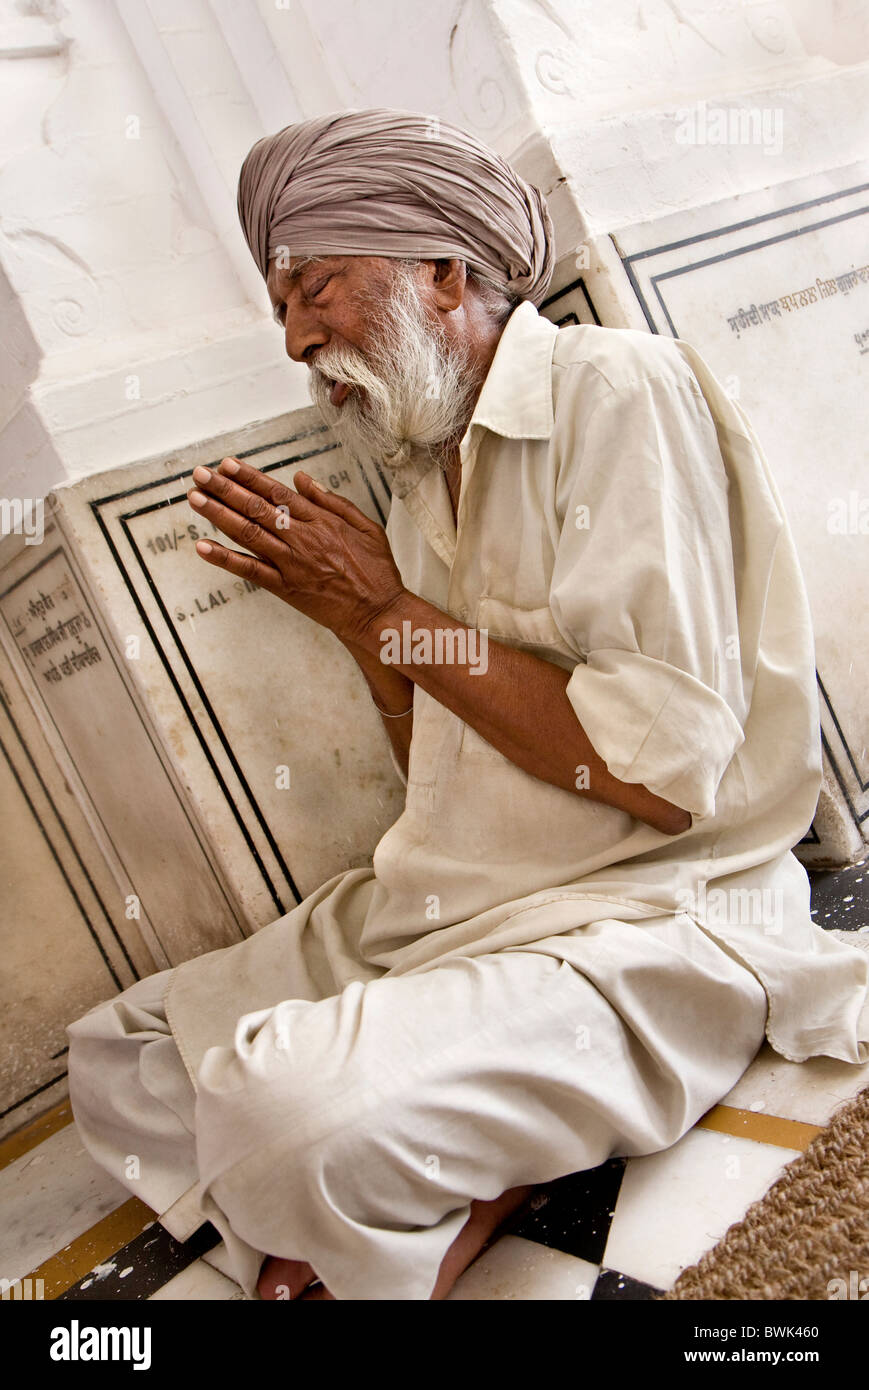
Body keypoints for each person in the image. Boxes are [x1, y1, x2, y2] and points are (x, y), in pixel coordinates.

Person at [67, 108, 869, 1301]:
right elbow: (439, 768)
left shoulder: (616, 392)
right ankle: (406, 1183)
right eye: (281, 307)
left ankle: (401, 1200)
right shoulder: (418, 455)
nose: (293, 339)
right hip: (455, 901)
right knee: (118, 1053)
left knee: (281, 1105)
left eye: (312, 289)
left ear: (442, 272)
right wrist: (365, 631)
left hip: (643, 914)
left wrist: (392, 615)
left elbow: (653, 779)